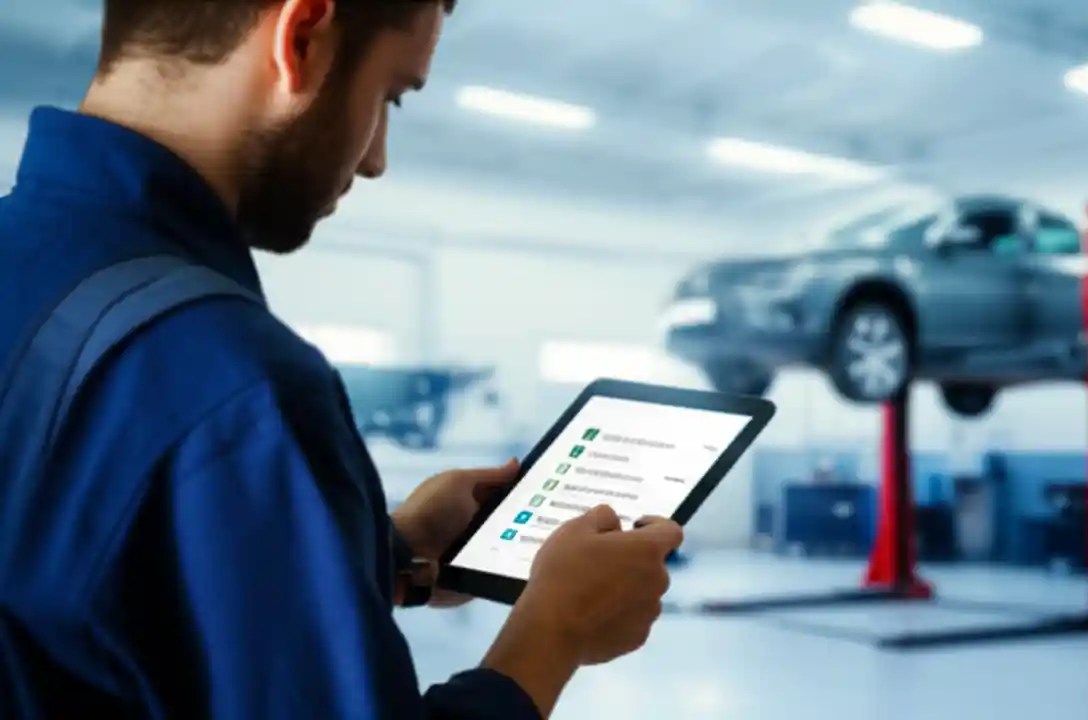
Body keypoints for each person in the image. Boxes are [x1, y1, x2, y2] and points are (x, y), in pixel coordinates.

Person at [0, 1, 684, 718]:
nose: (376, 157)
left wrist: (382, 556)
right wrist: (555, 632)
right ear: (300, 38)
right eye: (389, 95)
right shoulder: (239, 387)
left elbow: (77, 592)